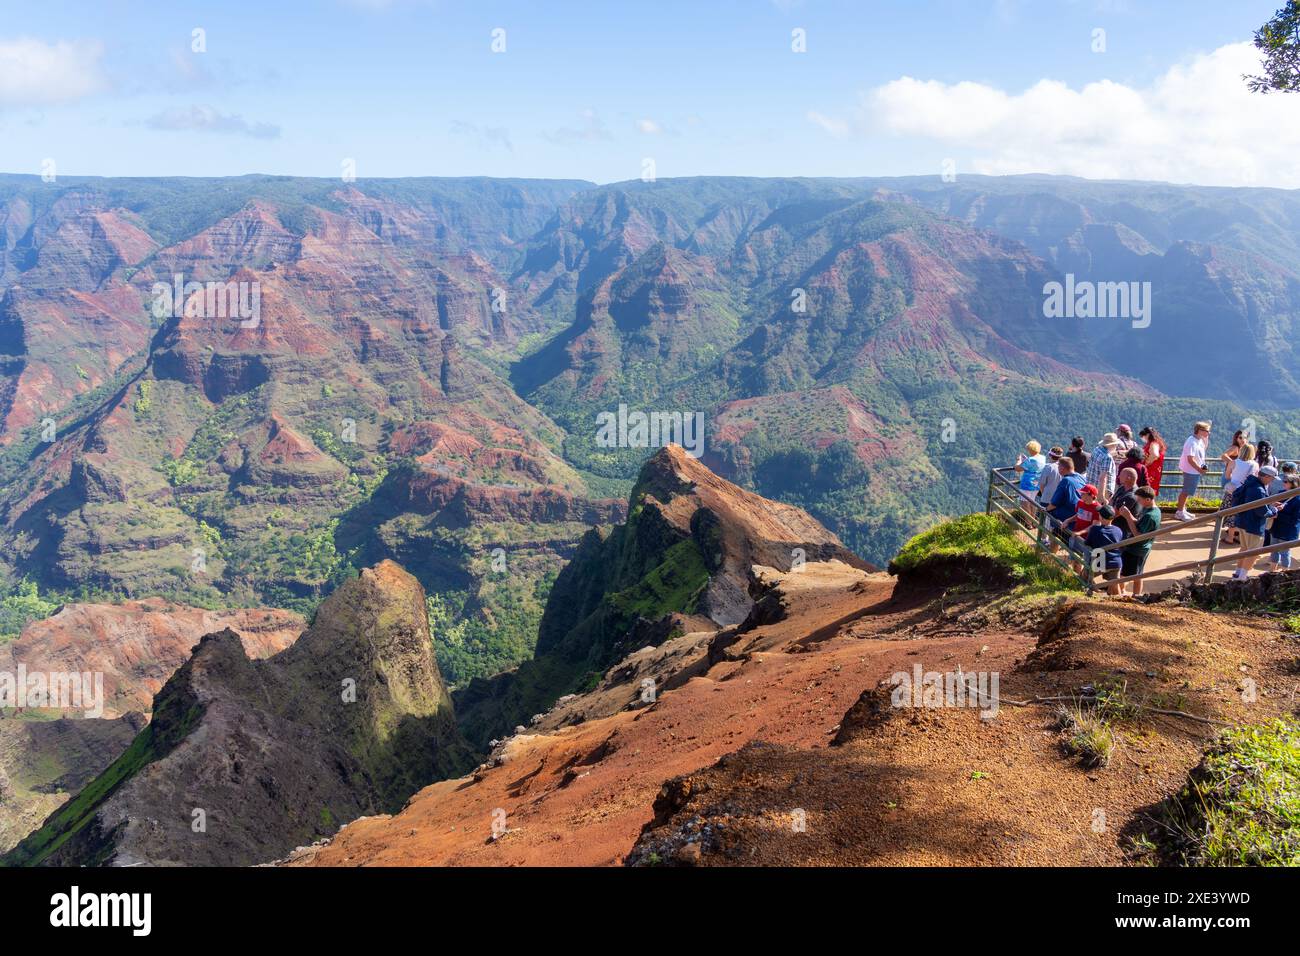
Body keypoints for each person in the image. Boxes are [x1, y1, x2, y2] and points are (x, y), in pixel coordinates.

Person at [1232, 466, 1278, 580]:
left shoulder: (1249, 484)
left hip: (1242, 521)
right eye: (1271, 478)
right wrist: (1273, 510)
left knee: (1244, 548)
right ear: (1266, 476)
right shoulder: (1259, 490)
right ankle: (1242, 576)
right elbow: (1261, 511)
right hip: (1253, 524)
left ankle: (1238, 573)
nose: (1271, 481)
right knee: (1253, 551)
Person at [1116, 486, 1161, 595]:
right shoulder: (1151, 509)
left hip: (1137, 549)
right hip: (1140, 547)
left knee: (1130, 574)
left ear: (1148, 500)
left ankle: (1132, 595)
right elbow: (1140, 523)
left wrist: (1127, 517)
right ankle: (1124, 591)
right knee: (1134, 573)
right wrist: (1130, 515)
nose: (1138, 502)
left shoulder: (1151, 516)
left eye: (1139, 499)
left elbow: (1137, 534)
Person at [1219, 443, 1258, 545]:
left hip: (1233, 491)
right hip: (1246, 492)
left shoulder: (1233, 462)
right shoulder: (1255, 464)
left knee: (1232, 514)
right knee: (1243, 514)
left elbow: (1227, 476)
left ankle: (1230, 538)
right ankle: (1241, 538)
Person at [1175, 421, 1212, 521]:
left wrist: (1206, 438)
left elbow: (1204, 448)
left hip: (1193, 470)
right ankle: (1179, 512)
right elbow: (1190, 459)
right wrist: (1200, 469)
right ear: (1200, 430)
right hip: (1191, 470)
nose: (1209, 433)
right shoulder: (1191, 442)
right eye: (1207, 431)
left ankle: (1182, 509)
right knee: (1186, 491)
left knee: (1187, 491)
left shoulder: (1198, 440)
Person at [1084, 505, 1124, 595]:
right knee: (1114, 584)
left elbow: (1087, 543)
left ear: (1101, 517)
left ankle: (1094, 591)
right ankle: (1120, 602)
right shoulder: (1118, 530)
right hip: (1116, 562)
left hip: (1100, 561)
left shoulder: (1095, 529)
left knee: (1085, 575)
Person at [1267, 471, 1300, 571]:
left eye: (1286, 481)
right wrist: (1273, 506)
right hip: (1277, 527)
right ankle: (1272, 571)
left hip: (1288, 530)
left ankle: (1285, 573)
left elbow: (1296, 519)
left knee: (1284, 552)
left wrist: (1279, 514)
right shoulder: (1281, 494)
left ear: (1293, 484)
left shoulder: (1298, 499)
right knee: (1273, 550)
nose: (1283, 483)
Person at [1015, 440, 1047, 516]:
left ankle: (1029, 524)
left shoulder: (1030, 460)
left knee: (1024, 503)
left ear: (1031, 449)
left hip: (1027, 483)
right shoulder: (1043, 458)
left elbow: (1018, 468)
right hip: (1037, 483)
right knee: (1032, 501)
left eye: (1028, 449)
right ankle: (1033, 521)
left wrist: (1018, 460)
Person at [1086, 433, 1120, 500]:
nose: (1116, 446)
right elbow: (1102, 478)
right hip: (1102, 491)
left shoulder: (1096, 450)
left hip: (1090, 487)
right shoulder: (1107, 458)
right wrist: (1102, 497)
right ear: (1112, 445)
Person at [1110, 467, 1140, 535]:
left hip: (1122, 532)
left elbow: (1112, 514)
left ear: (1128, 478)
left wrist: (1112, 506)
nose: (1118, 476)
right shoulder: (1122, 488)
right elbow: (1111, 500)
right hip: (1116, 527)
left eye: (1121, 475)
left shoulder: (1131, 496)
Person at [1139, 425, 1166, 497]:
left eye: (1143, 436)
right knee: (1148, 489)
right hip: (1152, 469)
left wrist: (1146, 464)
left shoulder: (1153, 443)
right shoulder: (1155, 442)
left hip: (1151, 470)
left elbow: (1155, 455)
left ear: (1147, 435)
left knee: (1147, 489)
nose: (1143, 438)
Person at [1037, 446, 1064, 511]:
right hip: (1058, 499)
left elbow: (1041, 484)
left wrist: (1044, 494)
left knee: (1043, 519)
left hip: (1047, 498)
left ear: (1050, 455)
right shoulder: (1063, 467)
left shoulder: (1048, 467)